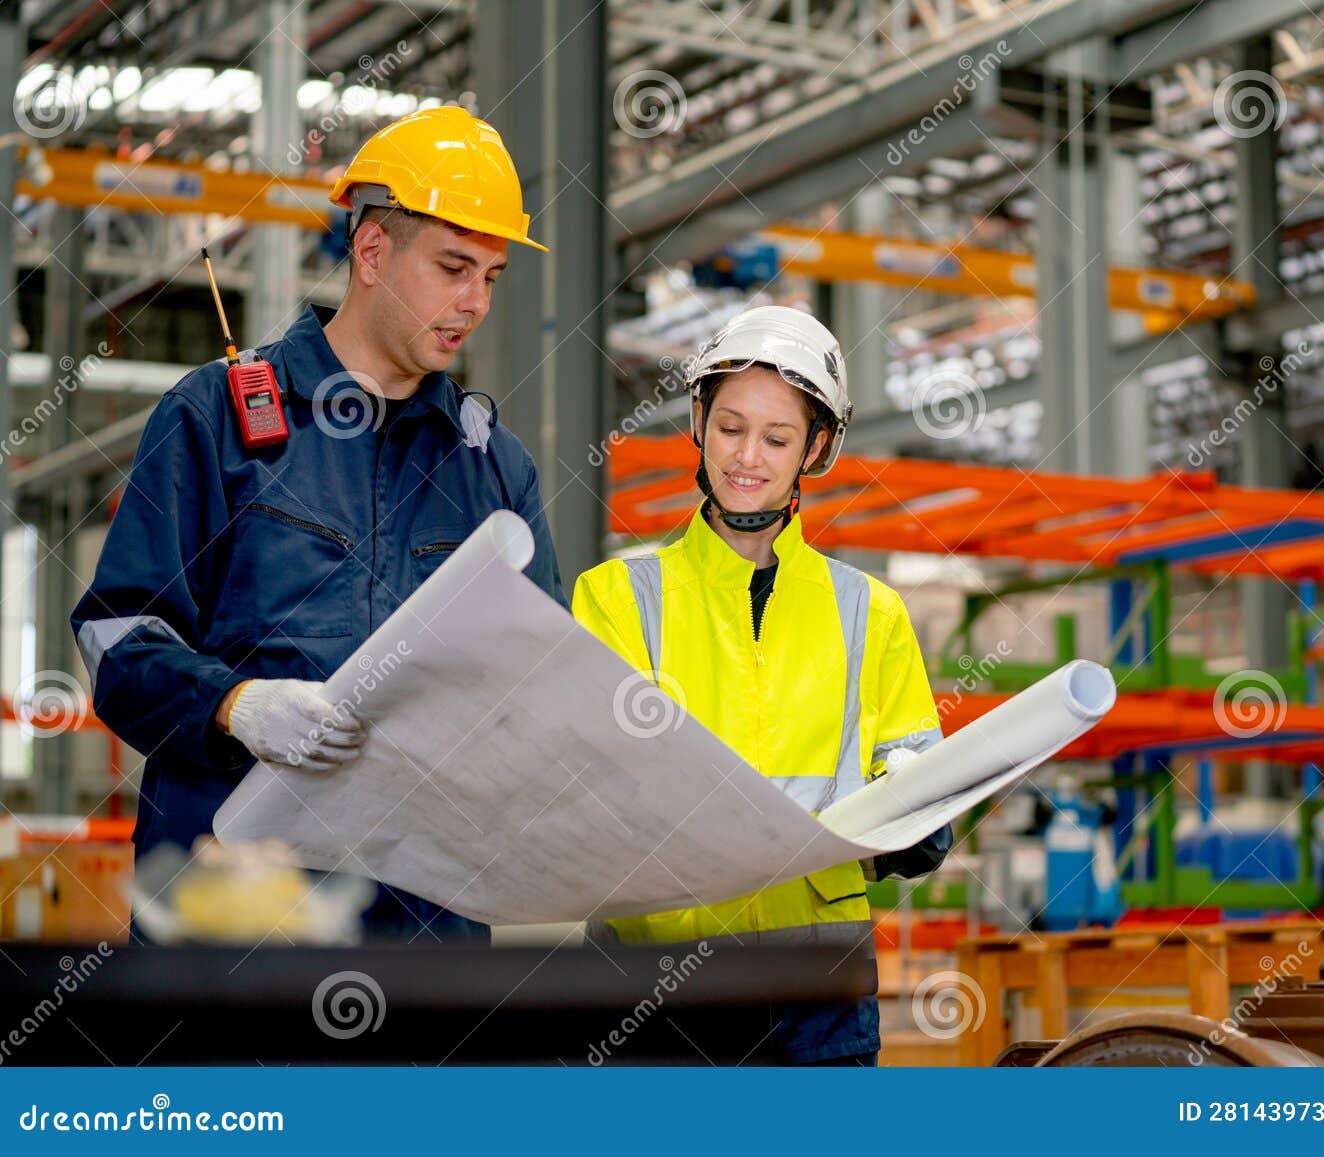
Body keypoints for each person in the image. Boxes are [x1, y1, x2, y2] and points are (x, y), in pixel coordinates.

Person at [70, 106, 565, 943]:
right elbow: (117, 640)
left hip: (424, 927)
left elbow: (542, 680)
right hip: (235, 916)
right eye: (453, 267)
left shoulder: (492, 465)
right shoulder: (217, 419)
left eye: (491, 275)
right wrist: (235, 704)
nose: (475, 301)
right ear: (371, 251)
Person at [572, 306, 950, 1064]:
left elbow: (926, 822)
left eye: (777, 438)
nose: (747, 456)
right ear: (698, 424)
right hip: (653, 987)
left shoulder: (871, 614)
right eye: (729, 428)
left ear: (816, 448)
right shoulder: (616, 598)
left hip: (819, 990)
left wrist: (915, 799)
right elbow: (579, 794)